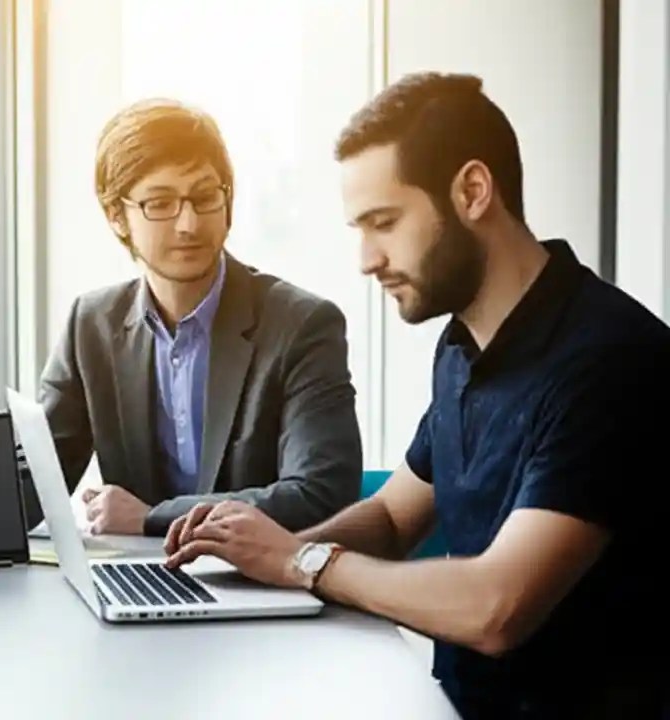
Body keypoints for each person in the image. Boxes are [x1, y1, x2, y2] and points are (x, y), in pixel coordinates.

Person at [164, 72, 668, 718]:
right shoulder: (463, 345)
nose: (366, 259)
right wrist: (259, 567)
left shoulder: (609, 361)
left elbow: (498, 607)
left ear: (473, 191)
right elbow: (393, 517)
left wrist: (301, 561)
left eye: (384, 222)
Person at [38, 98, 362, 538]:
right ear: (117, 216)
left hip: (262, 589)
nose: (189, 223)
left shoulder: (302, 325)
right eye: (160, 203)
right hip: (142, 584)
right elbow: (33, 486)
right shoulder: (90, 325)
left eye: (205, 197)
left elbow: (321, 492)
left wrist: (153, 517)